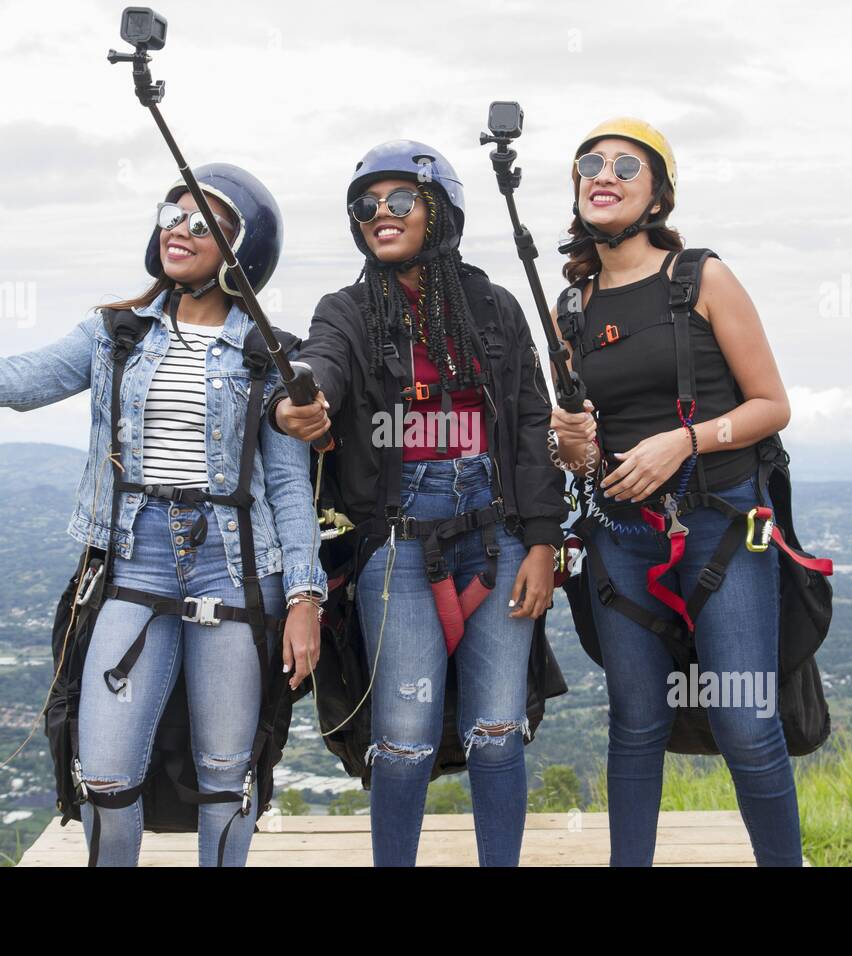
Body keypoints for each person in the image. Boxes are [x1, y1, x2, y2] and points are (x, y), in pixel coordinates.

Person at [0, 164, 325, 867]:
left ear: (242, 253)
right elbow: (21, 379)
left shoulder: (269, 354)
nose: (179, 229)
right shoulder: (114, 334)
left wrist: (305, 597)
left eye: (203, 222)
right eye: (171, 213)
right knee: (105, 775)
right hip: (133, 558)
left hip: (237, 567)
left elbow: (288, 488)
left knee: (227, 775)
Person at [273, 140, 566, 866]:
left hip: (496, 534)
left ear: (440, 211)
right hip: (398, 543)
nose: (381, 213)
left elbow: (531, 423)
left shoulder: (493, 308)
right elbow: (323, 360)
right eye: (366, 205)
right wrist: (303, 398)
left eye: (400, 199)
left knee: (498, 732)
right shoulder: (346, 310)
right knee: (402, 741)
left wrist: (540, 542)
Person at [549, 118, 802, 866]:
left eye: (628, 165)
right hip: (620, 537)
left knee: (747, 721)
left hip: (720, 523)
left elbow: (770, 405)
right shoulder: (572, 305)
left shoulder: (700, 278)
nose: (606, 173)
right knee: (634, 721)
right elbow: (579, 450)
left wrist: (684, 440)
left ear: (658, 192)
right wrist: (571, 449)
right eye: (590, 163)